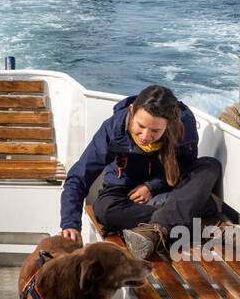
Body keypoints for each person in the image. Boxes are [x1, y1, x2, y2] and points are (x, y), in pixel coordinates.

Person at [60, 84, 222, 260]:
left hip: (166, 190)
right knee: (104, 210)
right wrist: (70, 223)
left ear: (169, 125)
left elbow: (184, 169)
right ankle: (190, 219)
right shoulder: (114, 128)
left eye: (155, 130)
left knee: (209, 166)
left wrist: (151, 186)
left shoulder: (184, 127)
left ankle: (157, 229)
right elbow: (79, 176)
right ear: (131, 111)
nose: (145, 136)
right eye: (141, 126)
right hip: (126, 192)